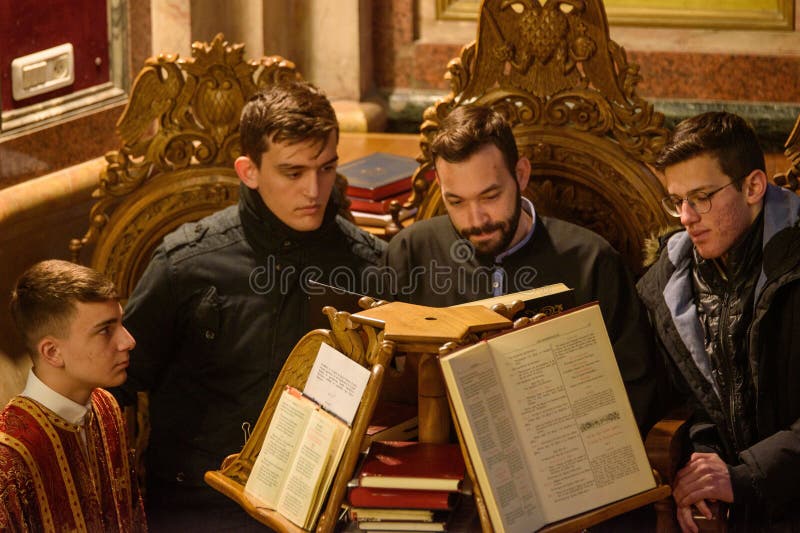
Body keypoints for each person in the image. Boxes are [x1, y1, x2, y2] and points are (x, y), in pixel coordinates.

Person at [115, 81, 386, 529]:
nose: (314, 190)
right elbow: (116, 382)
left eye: (326, 168)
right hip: (200, 500)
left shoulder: (370, 265)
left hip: (329, 502)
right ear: (249, 171)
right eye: (293, 172)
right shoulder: (185, 265)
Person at [383, 105, 661, 432]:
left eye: (490, 196)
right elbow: (383, 384)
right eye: (456, 201)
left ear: (521, 175)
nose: (476, 220)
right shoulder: (409, 252)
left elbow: (637, 388)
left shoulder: (592, 261)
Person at [637, 111, 800, 532]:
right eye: (677, 201)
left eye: (702, 197)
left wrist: (745, 476)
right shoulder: (667, 283)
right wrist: (699, 473)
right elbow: (689, 402)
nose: (687, 217)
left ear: (753, 187)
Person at [1, 259, 145, 531]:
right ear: (52, 352)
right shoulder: (8, 457)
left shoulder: (106, 407)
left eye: (121, 323)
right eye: (105, 330)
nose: (128, 341)